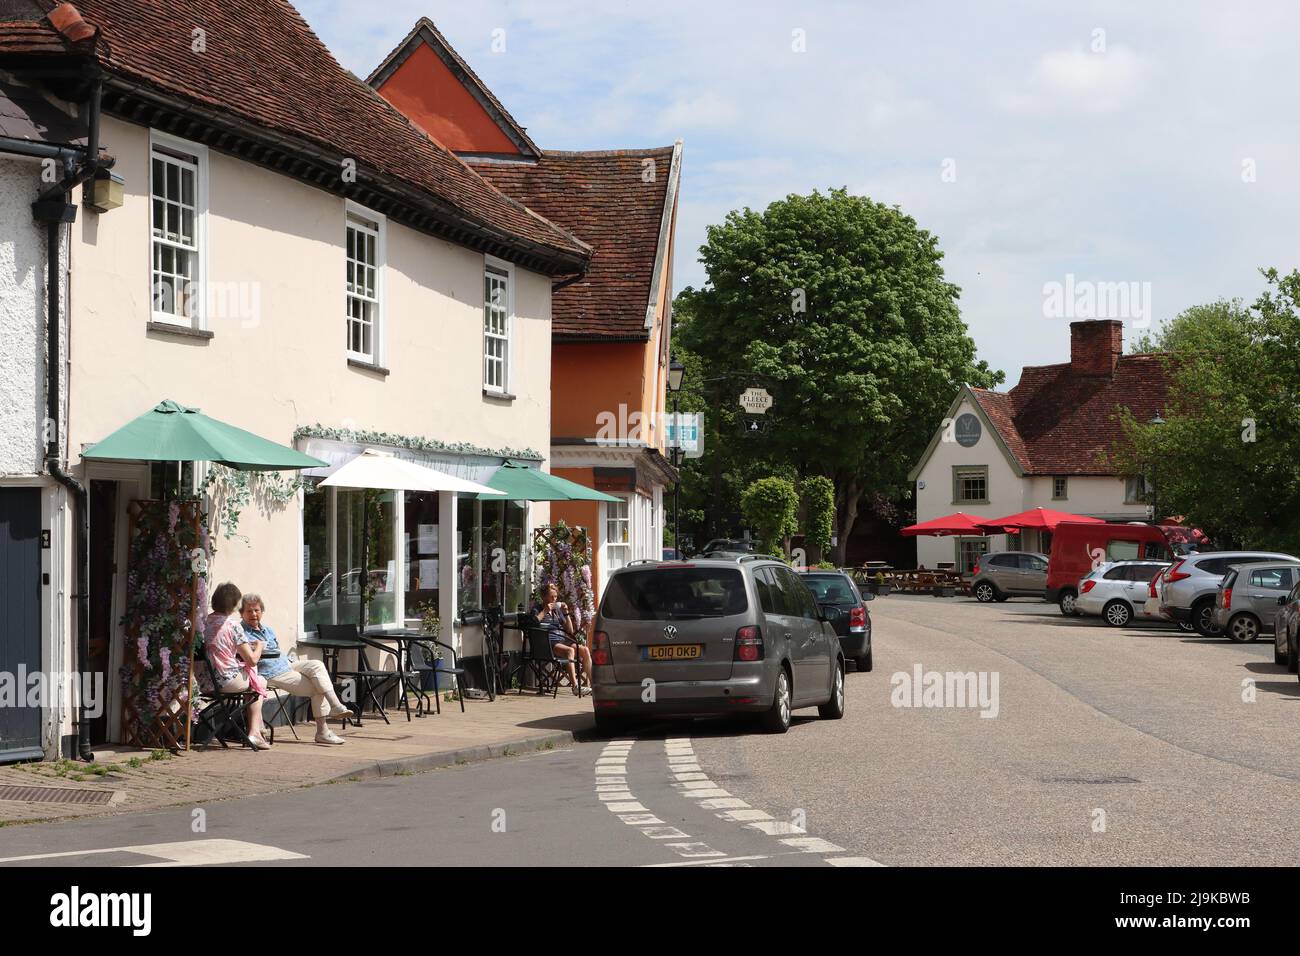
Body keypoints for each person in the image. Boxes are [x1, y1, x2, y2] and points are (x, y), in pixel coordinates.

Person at [239, 593, 349, 746]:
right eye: (249, 611)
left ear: (262, 612)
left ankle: (336, 705)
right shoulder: (241, 632)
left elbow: (278, 651)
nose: (253, 614)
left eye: (257, 610)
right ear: (242, 613)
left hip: (286, 663)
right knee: (319, 687)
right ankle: (323, 731)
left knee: (317, 665)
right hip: (270, 672)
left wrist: (292, 663)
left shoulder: (268, 630)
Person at [203, 582, 270, 750]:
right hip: (227, 682)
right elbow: (252, 660)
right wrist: (260, 645)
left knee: (251, 676)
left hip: (204, 682)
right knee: (259, 681)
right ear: (234, 604)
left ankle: (257, 729)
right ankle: (255, 732)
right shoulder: (233, 626)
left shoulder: (203, 623)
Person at [530, 583, 592, 696]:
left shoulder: (556, 611)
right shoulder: (537, 608)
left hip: (561, 640)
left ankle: (593, 685)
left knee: (585, 650)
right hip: (547, 644)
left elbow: (570, 630)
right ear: (544, 597)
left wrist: (566, 612)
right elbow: (532, 624)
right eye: (551, 596)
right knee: (570, 651)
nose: (554, 599)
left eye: (556, 597)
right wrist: (544, 611)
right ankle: (575, 687)